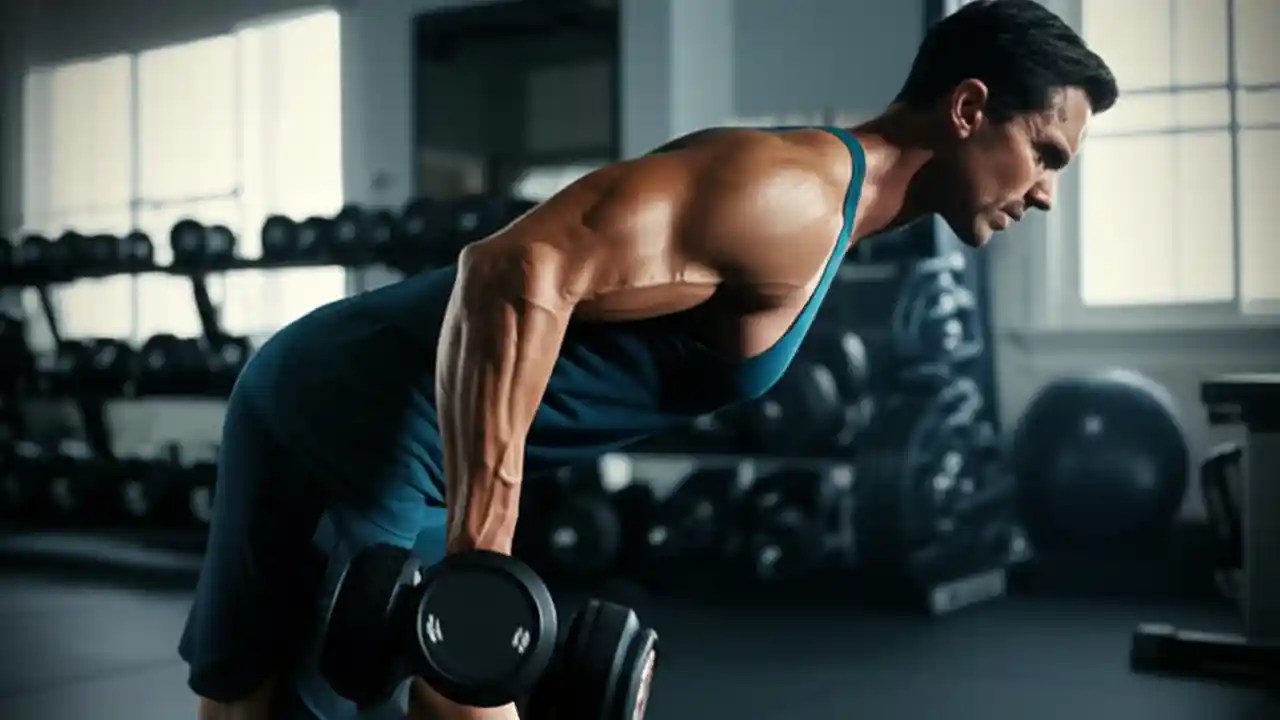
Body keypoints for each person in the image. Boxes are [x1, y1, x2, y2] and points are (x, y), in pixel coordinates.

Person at [180, 1, 1117, 718]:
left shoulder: (829, 216)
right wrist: (480, 559)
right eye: (1045, 154)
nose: (1045, 193)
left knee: (244, 695)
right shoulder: (788, 195)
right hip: (371, 418)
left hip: (316, 381)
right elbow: (511, 269)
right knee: (411, 695)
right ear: (969, 108)